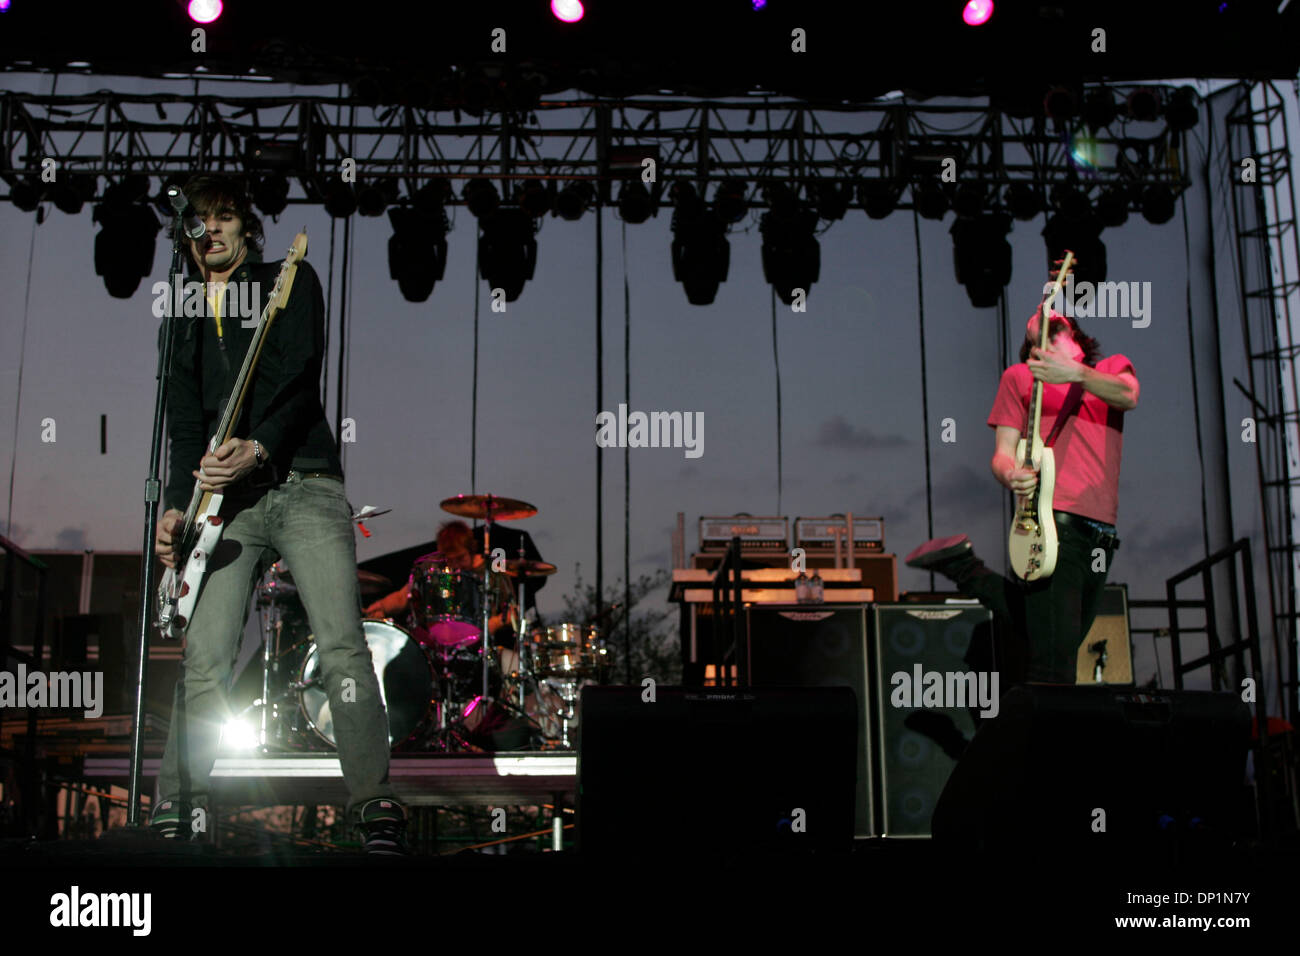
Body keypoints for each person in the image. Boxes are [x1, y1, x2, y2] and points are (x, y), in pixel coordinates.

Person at [153, 174, 408, 854]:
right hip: (224, 505)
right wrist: (176, 508)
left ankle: (374, 800)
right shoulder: (180, 313)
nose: (210, 230)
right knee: (203, 656)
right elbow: (183, 424)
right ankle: (181, 802)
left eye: (224, 217)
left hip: (304, 485)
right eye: (198, 221)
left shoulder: (290, 279)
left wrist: (258, 448)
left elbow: (301, 375)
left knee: (344, 645)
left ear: (245, 228)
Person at [906, 310, 1139, 686]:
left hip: (1102, 534)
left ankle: (964, 568)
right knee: (1053, 669)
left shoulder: (1110, 369)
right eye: (1036, 337)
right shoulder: (1020, 378)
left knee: (1053, 640)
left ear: (1075, 334)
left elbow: (1128, 395)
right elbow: (1002, 453)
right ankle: (1042, 742)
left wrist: (1075, 374)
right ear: (1030, 350)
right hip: (1054, 521)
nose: (1046, 333)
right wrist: (1009, 473)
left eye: (1055, 328)